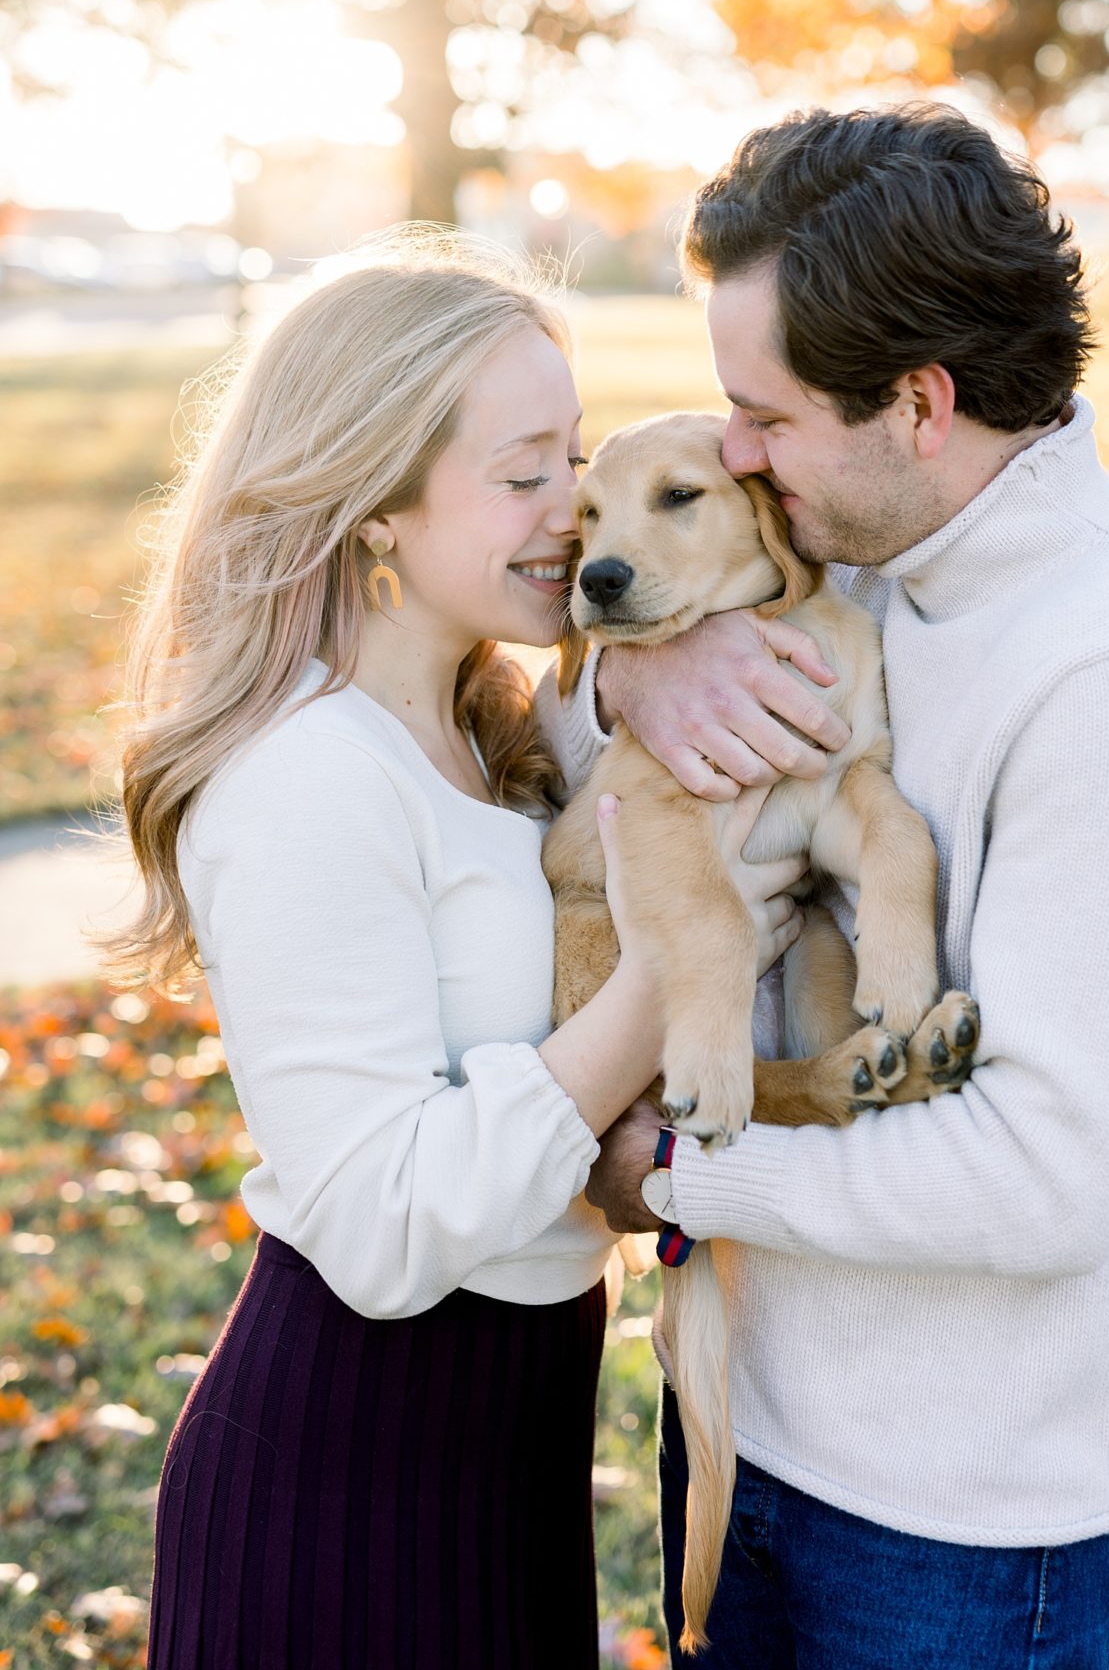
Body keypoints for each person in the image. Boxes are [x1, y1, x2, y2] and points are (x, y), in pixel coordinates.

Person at [540, 104, 1109, 1670]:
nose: (733, 453)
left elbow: (1046, 1178)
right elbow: (567, 728)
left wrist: (664, 1175)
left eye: (763, 417)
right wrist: (635, 685)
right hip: (752, 1430)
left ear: (917, 403)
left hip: (955, 1534)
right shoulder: (852, 537)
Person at [103, 230, 807, 1670]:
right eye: (525, 471)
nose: (574, 512)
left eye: (577, 455)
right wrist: (676, 968)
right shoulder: (306, 782)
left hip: (514, 1446)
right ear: (374, 508)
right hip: (345, 1477)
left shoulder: (507, 734)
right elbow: (373, 1225)